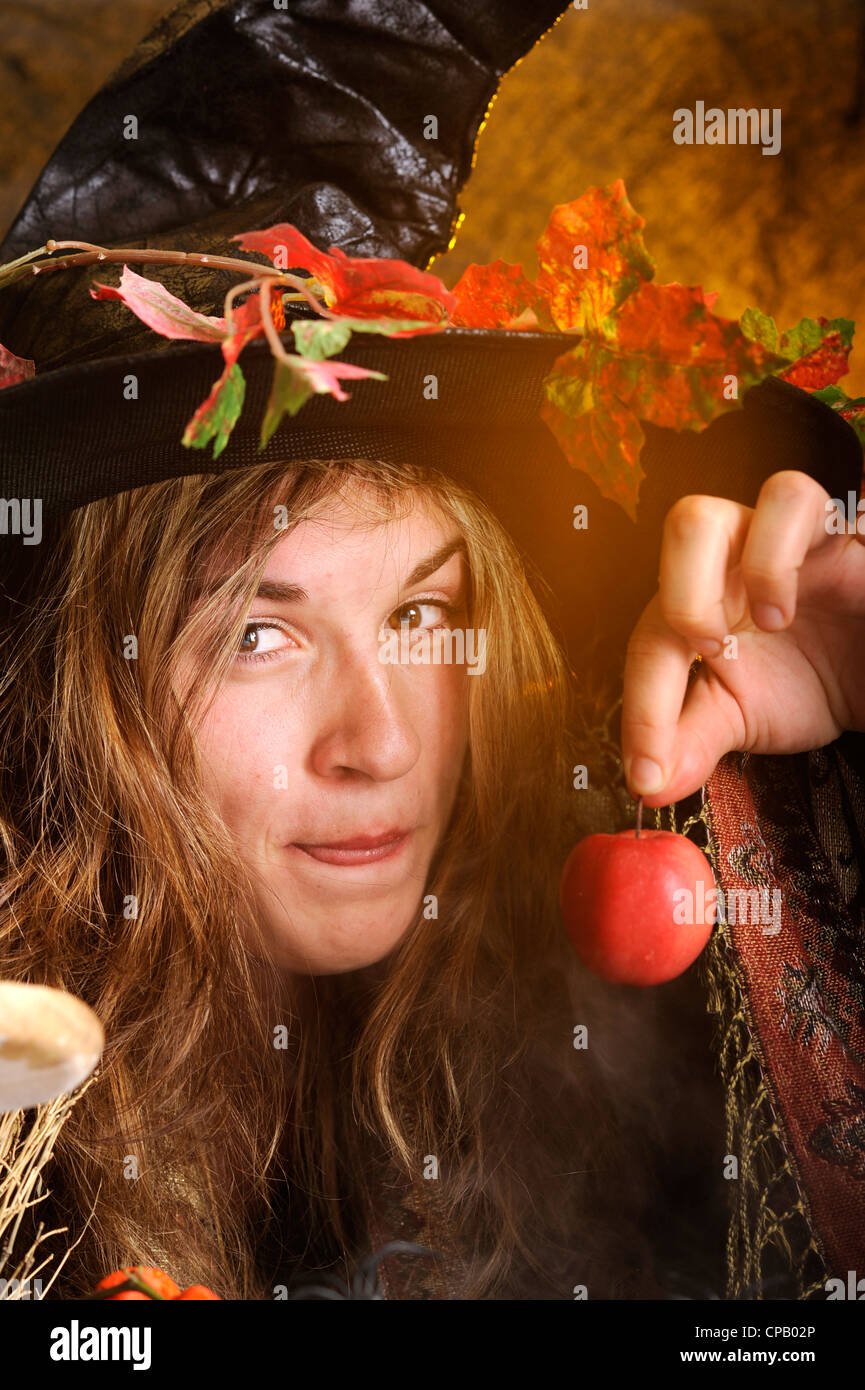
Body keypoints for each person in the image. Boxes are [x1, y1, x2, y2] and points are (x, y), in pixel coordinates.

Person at [0, 0, 863, 1301]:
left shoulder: (637, 997)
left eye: (419, 616)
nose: (383, 743)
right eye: (260, 634)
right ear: (88, 680)